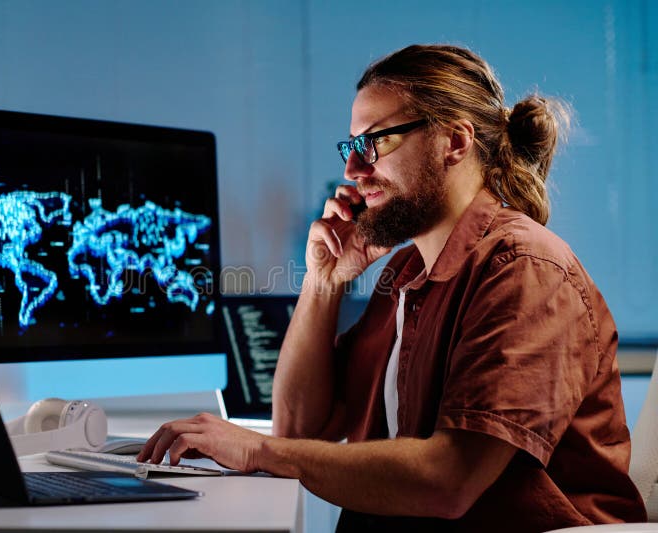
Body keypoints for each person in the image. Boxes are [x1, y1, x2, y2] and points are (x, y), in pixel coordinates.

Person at [137, 44, 647, 531]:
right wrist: (324, 281)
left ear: (455, 142)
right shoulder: (405, 273)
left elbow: (450, 480)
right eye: (353, 146)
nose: (353, 170)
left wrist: (255, 449)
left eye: (375, 141)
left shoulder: (525, 270)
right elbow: (299, 427)